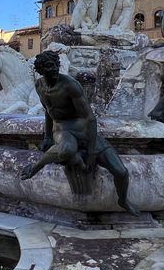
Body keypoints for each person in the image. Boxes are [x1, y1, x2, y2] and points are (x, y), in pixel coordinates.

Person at [20, 50, 139, 215]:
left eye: (55, 65)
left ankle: (123, 199)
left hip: (83, 131)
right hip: (63, 130)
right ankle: (36, 167)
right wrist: (47, 136)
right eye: (49, 66)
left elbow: (90, 119)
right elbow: (48, 111)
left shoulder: (70, 85)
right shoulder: (39, 86)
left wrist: (91, 153)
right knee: (67, 149)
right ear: (40, 70)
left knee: (121, 171)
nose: (54, 69)